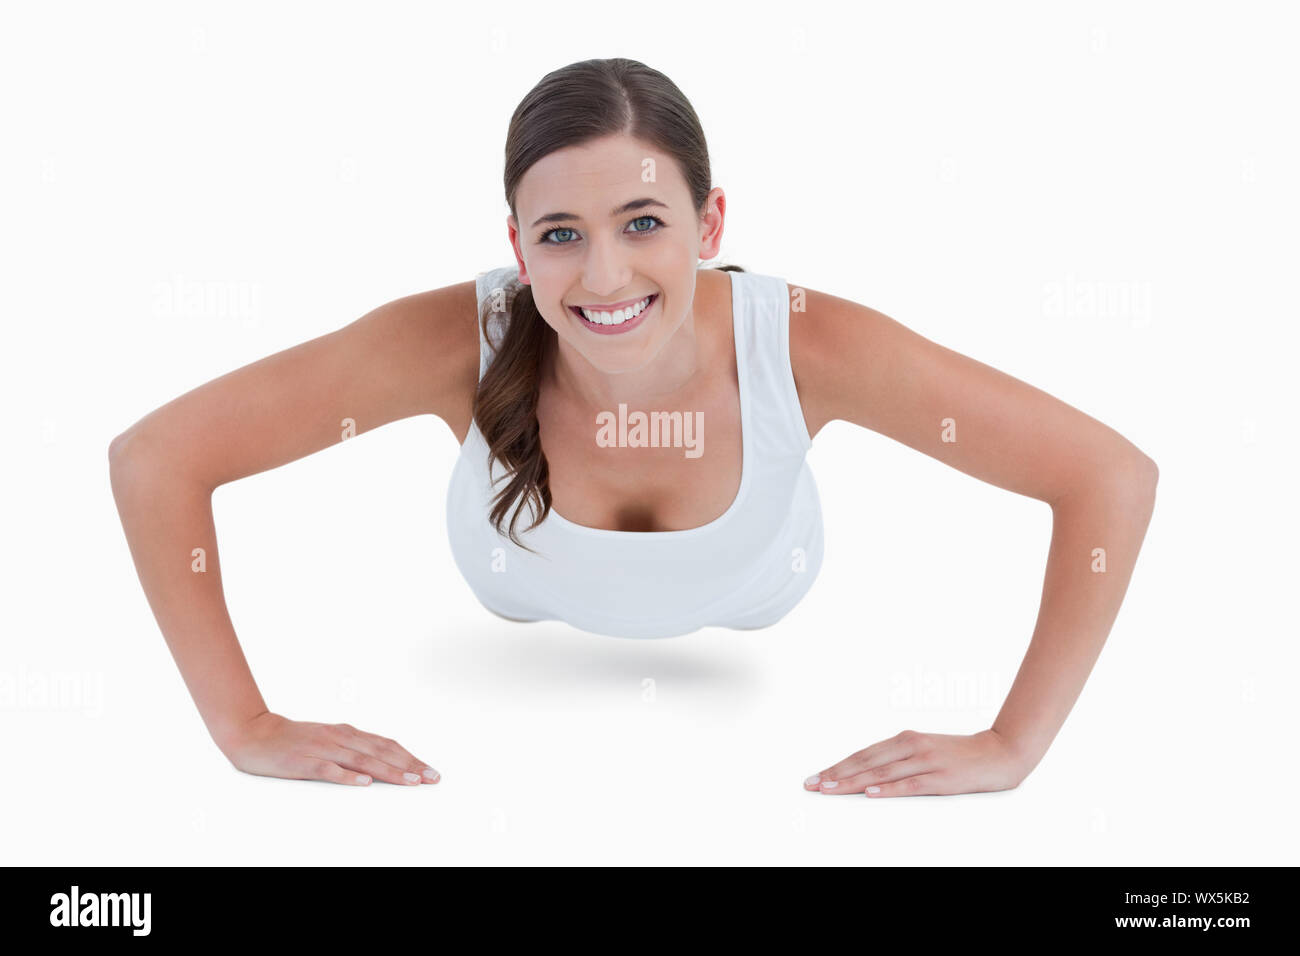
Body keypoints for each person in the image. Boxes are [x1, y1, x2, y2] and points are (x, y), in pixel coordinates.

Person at [109, 57, 1158, 796]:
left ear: (710, 225)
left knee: (760, 559)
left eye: (644, 223)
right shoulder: (447, 340)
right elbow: (156, 458)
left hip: (757, 591)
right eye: (560, 233)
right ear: (517, 246)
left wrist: (1014, 744)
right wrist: (241, 724)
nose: (602, 275)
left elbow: (1106, 474)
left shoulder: (808, 345)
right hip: (511, 588)